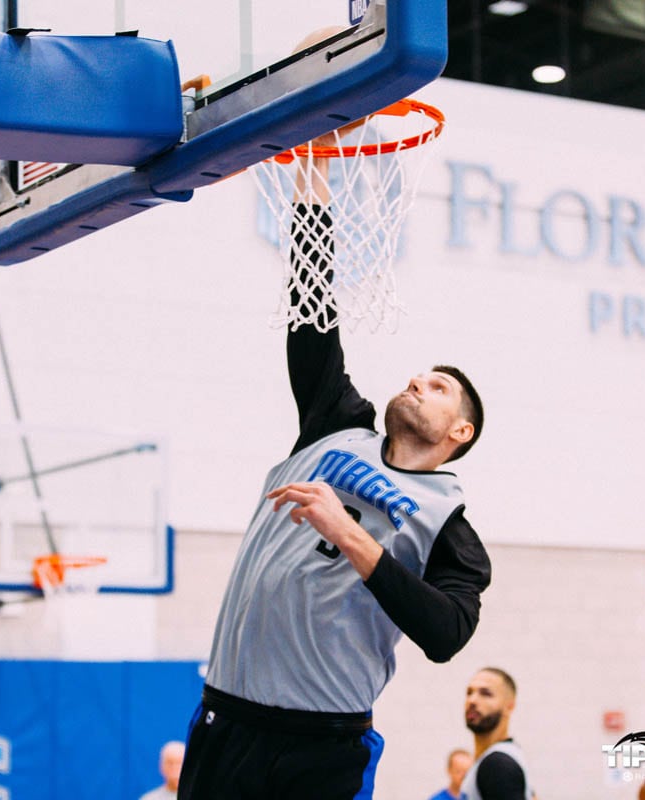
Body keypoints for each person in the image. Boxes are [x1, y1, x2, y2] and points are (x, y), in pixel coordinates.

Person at [178, 140, 491, 800]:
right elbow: (312, 307)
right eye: (418, 375)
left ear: (459, 434)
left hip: (319, 745)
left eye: (437, 387)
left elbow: (446, 635)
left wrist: (351, 537)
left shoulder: (448, 526)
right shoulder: (336, 423)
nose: (417, 382)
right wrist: (314, 169)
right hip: (227, 718)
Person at [460, 668, 535, 800]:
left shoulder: (497, 765)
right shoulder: (499, 758)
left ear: (509, 706)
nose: (472, 700)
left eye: (485, 694)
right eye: (469, 692)